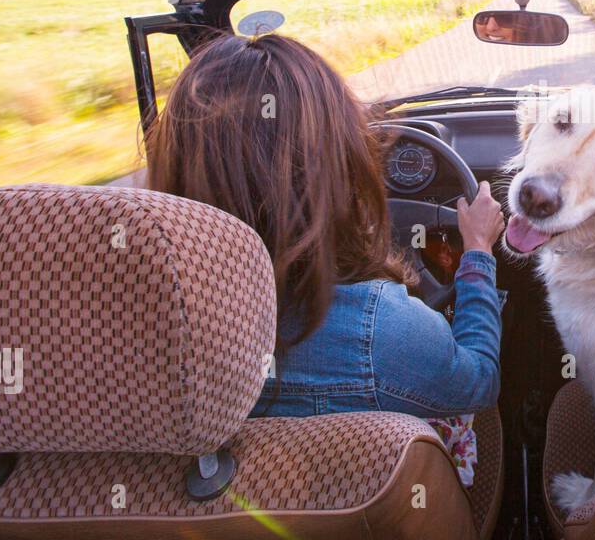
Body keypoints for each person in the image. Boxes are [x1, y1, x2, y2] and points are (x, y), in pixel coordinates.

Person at [144, 33, 507, 433]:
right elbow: (480, 383)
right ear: (339, 166)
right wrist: (477, 251)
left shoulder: (138, 325)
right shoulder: (380, 331)